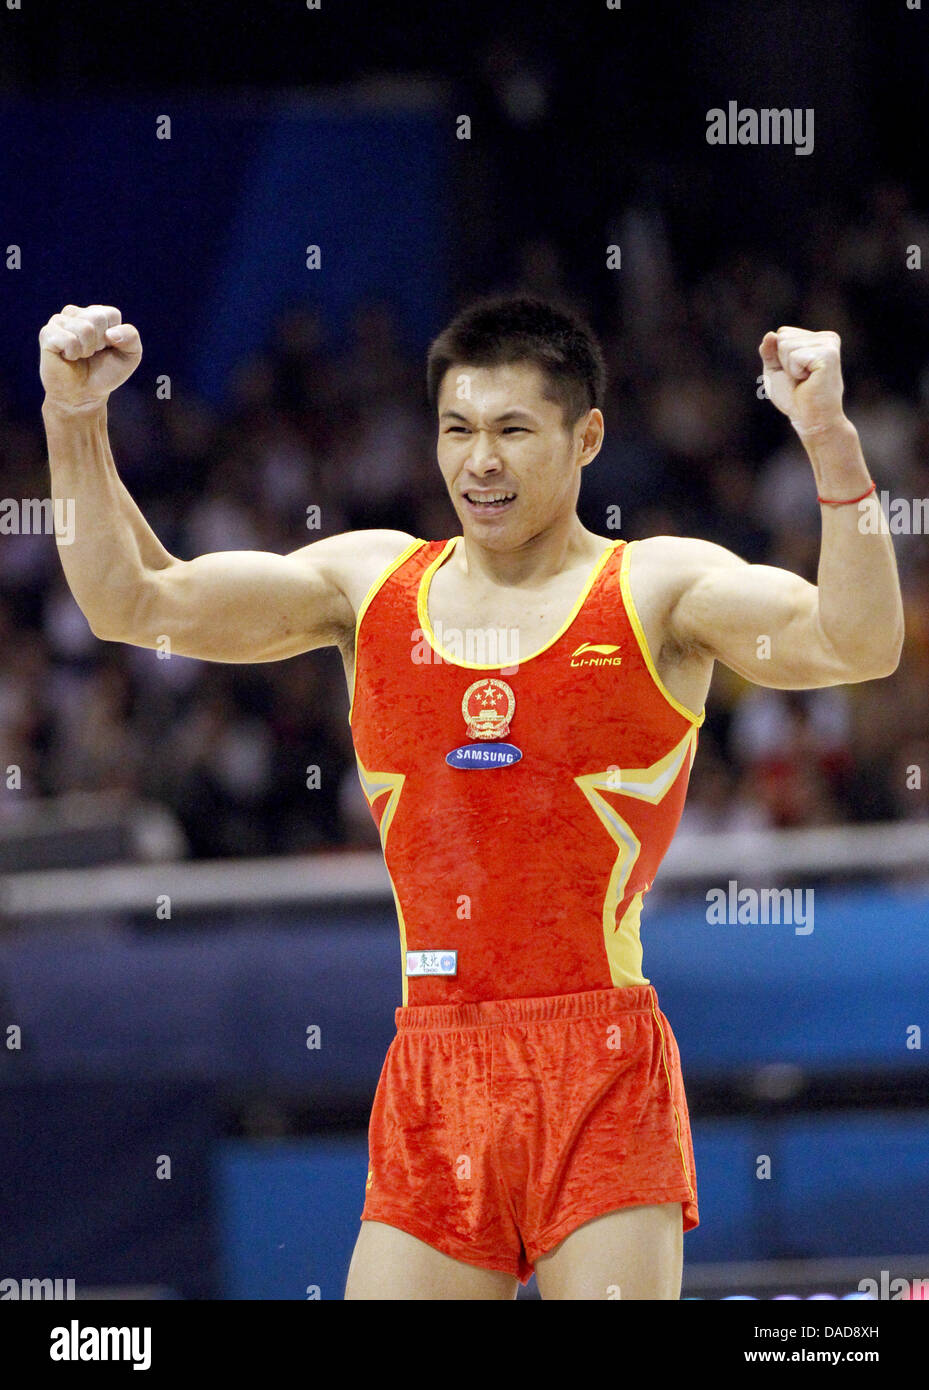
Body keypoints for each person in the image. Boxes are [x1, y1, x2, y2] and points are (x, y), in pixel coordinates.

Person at [39, 297, 903, 1300]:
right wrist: (74, 417)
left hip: (596, 1065)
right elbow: (132, 600)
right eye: (457, 429)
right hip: (434, 1070)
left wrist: (828, 438)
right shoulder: (367, 584)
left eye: (512, 430)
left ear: (586, 437)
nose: (478, 462)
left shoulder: (655, 590)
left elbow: (856, 642)